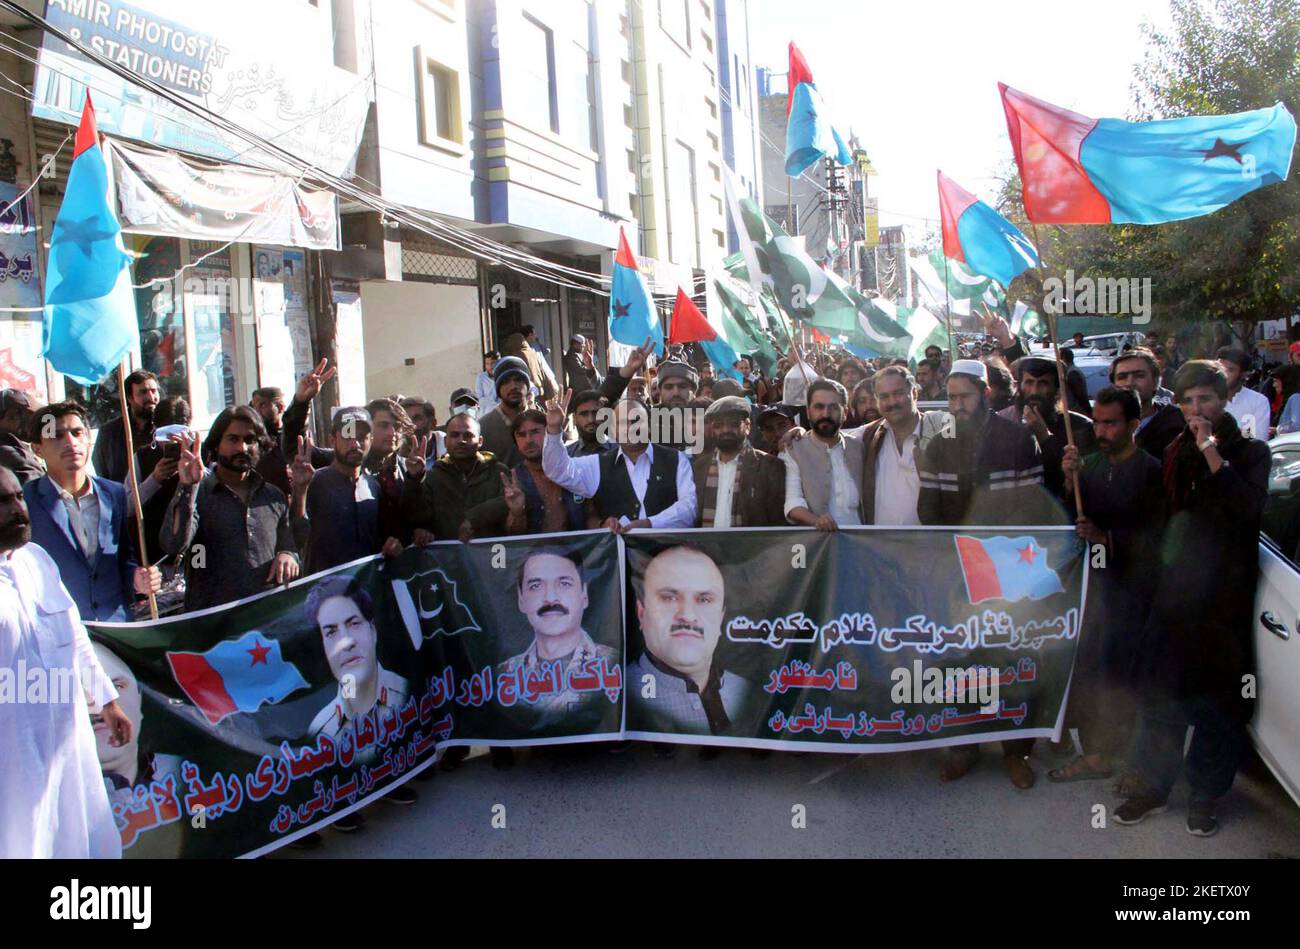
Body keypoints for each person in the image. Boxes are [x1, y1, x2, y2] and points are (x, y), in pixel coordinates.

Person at [1114, 361, 1269, 836]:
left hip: (1223, 599)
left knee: (1217, 704)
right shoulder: (1172, 451)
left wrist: (1210, 451)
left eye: (1205, 399)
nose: (1196, 409)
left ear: (1224, 401)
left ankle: (1205, 795)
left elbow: (1245, 509)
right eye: (1188, 401)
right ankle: (1153, 787)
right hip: (1175, 595)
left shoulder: (1251, 453)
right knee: (1163, 697)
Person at [917, 360, 1044, 788]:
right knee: (962, 658)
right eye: (950, 398)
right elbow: (928, 509)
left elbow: (1034, 505)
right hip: (957, 571)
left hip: (1007, 568)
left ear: (985, 394)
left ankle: (1015, 751)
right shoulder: (938, 444)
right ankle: (966, 746)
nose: (956, 405)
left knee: (1010, 657)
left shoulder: (1018, 439)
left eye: (963, 396)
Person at [0, 466, 132, 858]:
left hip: (66, 737)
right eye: (2, 502)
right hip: (13, 750)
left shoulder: (36, 560)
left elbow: (73, 633)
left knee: (77, 835)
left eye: (18, 497)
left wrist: (106, 702)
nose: (17, 510)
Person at [1052, 387, 1166, 784]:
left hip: (1132, 594)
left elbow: (1159, 539)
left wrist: (1106, 538)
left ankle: (1120, 758)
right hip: (1094, 591)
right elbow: (1073, 519)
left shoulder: (1152, 471)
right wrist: (1070, 482)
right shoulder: (1091, 466)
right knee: (1092, 672)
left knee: (1123, 678)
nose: (1101, 430)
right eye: (1097, 422)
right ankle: (1098, 750)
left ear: (1133, 425)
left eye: (1111, 423)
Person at [25, 402, 160, 622]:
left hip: (115, 624)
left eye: (77, 433)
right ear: (37, 448)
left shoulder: (114, 493)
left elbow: (124, 557)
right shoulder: (26, 502)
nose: (70, 443)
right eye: (56, 436)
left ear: (88, 438)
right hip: (58, 630)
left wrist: (137, 577)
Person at [160, 406, 299, 613]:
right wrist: (187, 486)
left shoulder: (273, 497)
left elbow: (290, 544)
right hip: (213, 625)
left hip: (264, 620)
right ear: (216, 445)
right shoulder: (198, 493)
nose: (242, 448)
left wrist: (288, 555)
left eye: (250, 440)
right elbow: (174, 544)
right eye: (233, 439)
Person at [627, 544, 755, 736]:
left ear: (721, 617)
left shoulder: (748, 693)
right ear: (641, 612)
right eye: (669, 598)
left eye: (704, 600)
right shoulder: (621, 692)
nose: (687, 615)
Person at [541, 391, 697, 531]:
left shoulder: (676, 459)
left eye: (636, 420)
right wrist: (554, 429)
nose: (629, 427)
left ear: (649, 426)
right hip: (618, 558)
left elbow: (689, 508)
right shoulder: (598, 464)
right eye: (622, 422)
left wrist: (650, 524)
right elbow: (557, 470)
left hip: (668, 554)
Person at [495, 549, 616, 720]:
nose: (550, 599)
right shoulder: (503, 675)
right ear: (521, 599)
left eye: (564, 583)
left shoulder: (614, 664)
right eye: (535, 586)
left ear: (584, 594)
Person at [291, 407, 403, 576]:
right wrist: (300, 491)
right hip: (325, 594)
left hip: (364, 590)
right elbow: (296, 535)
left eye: (361, 437)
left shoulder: (374, 487)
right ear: (332, 440)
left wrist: (392, 546)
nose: (354, 444)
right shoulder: (313, 482)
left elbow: (380, 541)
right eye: (347, 436)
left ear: (370, 440)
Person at [999, 356, 1097, 502]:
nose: (1034, 391)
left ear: (1056, 388)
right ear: (1019, 387)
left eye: (1043, 383)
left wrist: (1044, 437)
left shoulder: (1079, 427)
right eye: (1029, 382)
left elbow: (1083, 486)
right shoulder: (1002, 421)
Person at [405, 411, 509, 542]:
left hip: (491, 556)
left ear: (480, 441)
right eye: (454, 435)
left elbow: (509, 502)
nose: (461, 441)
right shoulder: (433, 477)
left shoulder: (498, 471)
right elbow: (417, 517)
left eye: (468, 435)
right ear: (445, 440)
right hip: (448, 558)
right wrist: (414, 478)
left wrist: (474, 518)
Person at [781, 379, 864, 530]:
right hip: (818, 545)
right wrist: (817, 521)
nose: (825, 414)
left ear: (844, 412)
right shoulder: (794, 449)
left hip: (861, 540)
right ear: (808, 412)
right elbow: (792, 503)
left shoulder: (859, 446)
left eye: (833, 407)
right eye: (818, 407)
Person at [693, 396, 785, 527]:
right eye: (719, 425)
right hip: (704, 546)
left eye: (734, 424)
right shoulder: (699, 468)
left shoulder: (770, 466)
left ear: (747, 426)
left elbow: (778, 522)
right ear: (713, 429)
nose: (726, 430)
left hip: (753, 546)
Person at [128, 396, 191, 568]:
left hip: (195, 551)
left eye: (178, 435)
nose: (171, 443)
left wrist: (193, 475)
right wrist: (154, 479)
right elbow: (127, 506)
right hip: (153, 553)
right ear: (155, 432)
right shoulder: (142, 458)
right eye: (164, 436)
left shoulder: (200, 455)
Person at [1109, 349, 1184, 461]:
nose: (1129, 383)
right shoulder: (1102, 427)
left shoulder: (1176, 423)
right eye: (1122, 377)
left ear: (1155, 382)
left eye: (1139, 375)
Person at [92, 369, 159, 483]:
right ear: (129, 398)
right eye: (143, 392)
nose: (151, 397)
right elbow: (102, 470)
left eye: (153, 391)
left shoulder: (165, 430)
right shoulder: (109, 432)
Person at [478, 355, 534, 468]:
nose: (513, 386)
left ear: (527, 385)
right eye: (506, 381)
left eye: (518, 380)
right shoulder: (483, 427)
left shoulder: (542, 422)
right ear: (498, 388)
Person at [1217, 347, 1272, 440]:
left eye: (1230, 370)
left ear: (1244, 374)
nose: (1223, 374)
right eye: (1219, 368)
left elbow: (1256, 441)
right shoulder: (1203, 399)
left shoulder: (1257, 401)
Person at [250, 386, 291, 495]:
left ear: (280, 407)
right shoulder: (253, 442)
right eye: (253, 407)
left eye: (262, 405)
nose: (256, 412)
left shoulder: (292, 438)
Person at [0, 387, 41, 485]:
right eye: (31, 418)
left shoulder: (13, 448)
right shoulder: (8, 452)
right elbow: (36, 492)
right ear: (11, 417)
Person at [566, 389, 611, 458]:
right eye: (584, 414)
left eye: (596, 413)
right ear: (574, 419)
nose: (591, 420)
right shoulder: (566, 455)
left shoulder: (622, 451)